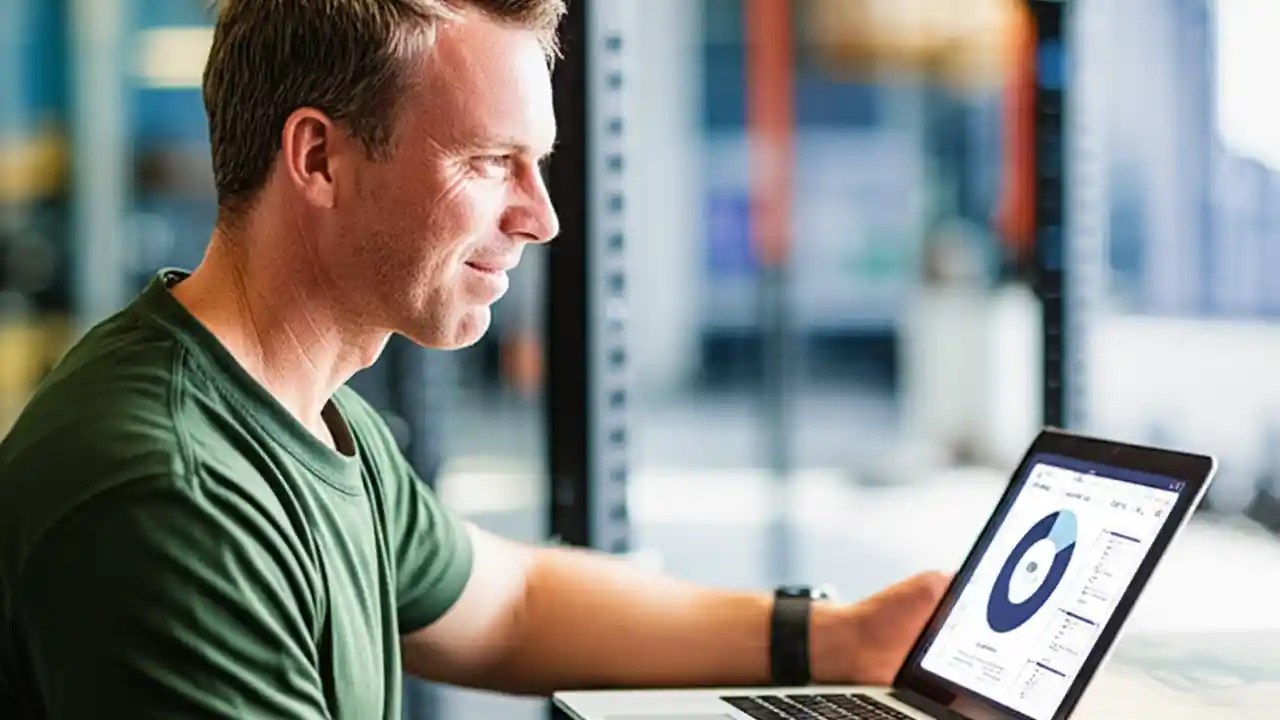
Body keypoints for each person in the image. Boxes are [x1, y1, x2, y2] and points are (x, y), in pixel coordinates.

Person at [0, 1, 949, 717]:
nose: (542, 217)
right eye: (491, 162)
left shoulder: (312, 416)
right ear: (320, 159)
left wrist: (841, 638)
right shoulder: (170, 495)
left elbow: (514, 606)